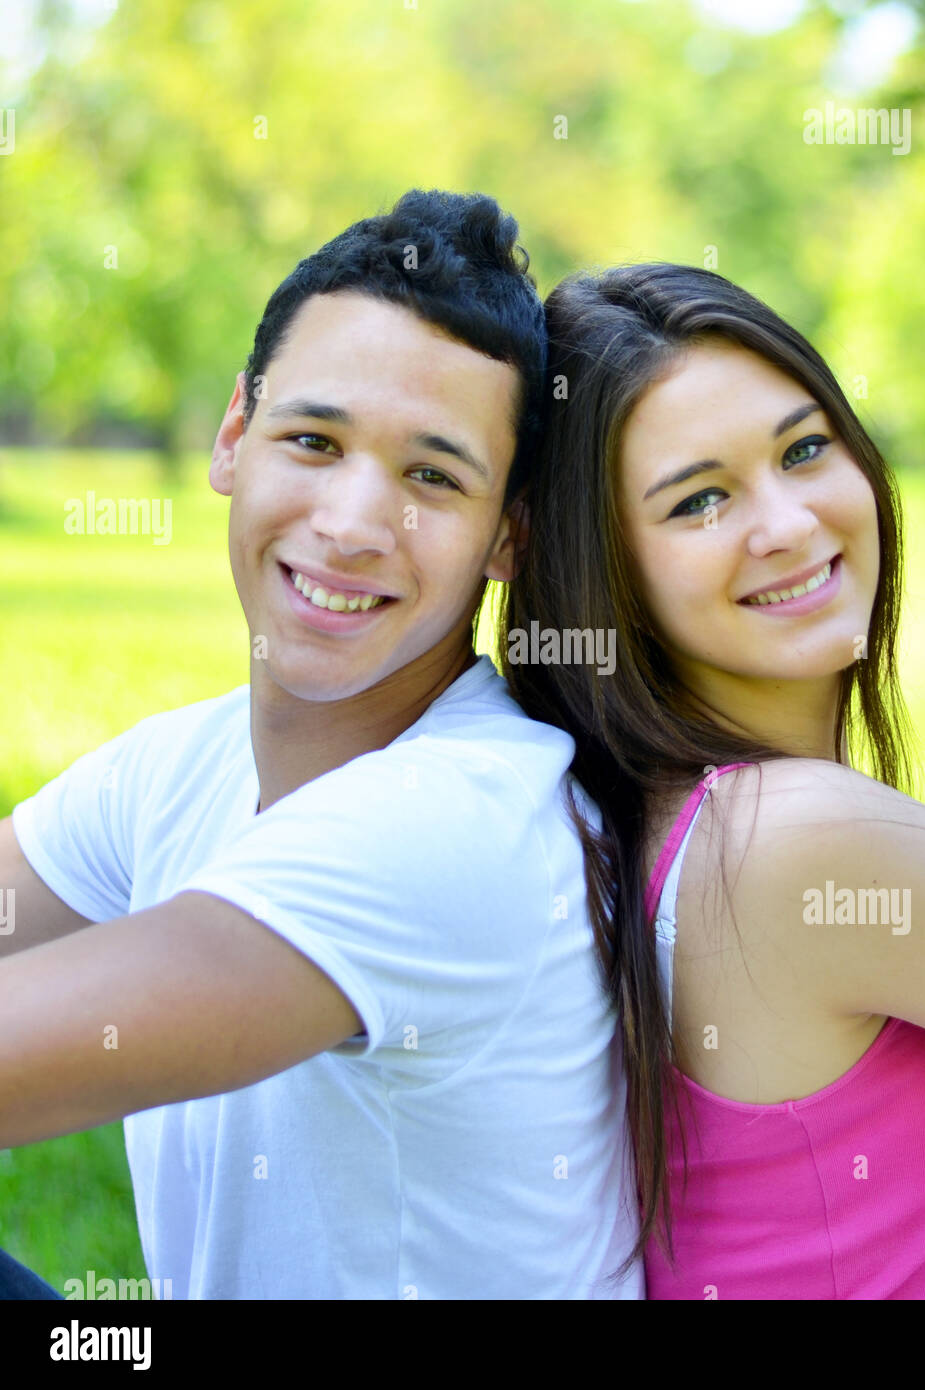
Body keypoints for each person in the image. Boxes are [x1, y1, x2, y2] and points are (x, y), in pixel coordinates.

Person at [0, 191, 642, 1300]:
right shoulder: (176, 766)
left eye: (431, 476)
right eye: (312, 439)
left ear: (508, 535)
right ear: (234, 437)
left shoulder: (457, 825)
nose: (350, 524)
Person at [499, 260, 925, 1299]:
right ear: (601, 567)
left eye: (802, 448)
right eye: (698, 500)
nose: (785, 522)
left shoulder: (659, 812)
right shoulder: (791, 841)